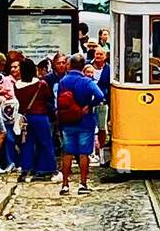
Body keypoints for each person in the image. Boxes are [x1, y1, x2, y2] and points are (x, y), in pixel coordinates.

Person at [55, 53, 106, 195]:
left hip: (68, 121)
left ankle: (65, 185)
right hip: (85, 121)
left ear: (70, 65)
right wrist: (89, 105)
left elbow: (59, 102)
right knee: (84, 153)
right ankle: (82, 184)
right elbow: (100, 96)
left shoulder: (63, 81)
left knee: (67, 152)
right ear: (83, 67)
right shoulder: (87, 82)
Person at [14, 59, 57, 182]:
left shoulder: (17, 86)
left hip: (26, 117)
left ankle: (26, 168)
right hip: (40, 116)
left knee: (27, 143)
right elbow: (48, 99)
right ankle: (46, 168)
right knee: (45, 143)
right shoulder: (41, 84)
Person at [91, 47, 112, 164]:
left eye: (101, 54)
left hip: (103, 102)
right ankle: (92, 153)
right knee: (90, 127)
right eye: (97, 54)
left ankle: (102, 153)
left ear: (105, 56)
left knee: (102, 128)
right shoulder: (88, 66)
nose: (98, 56)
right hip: (89, 102)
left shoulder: (109, 69)